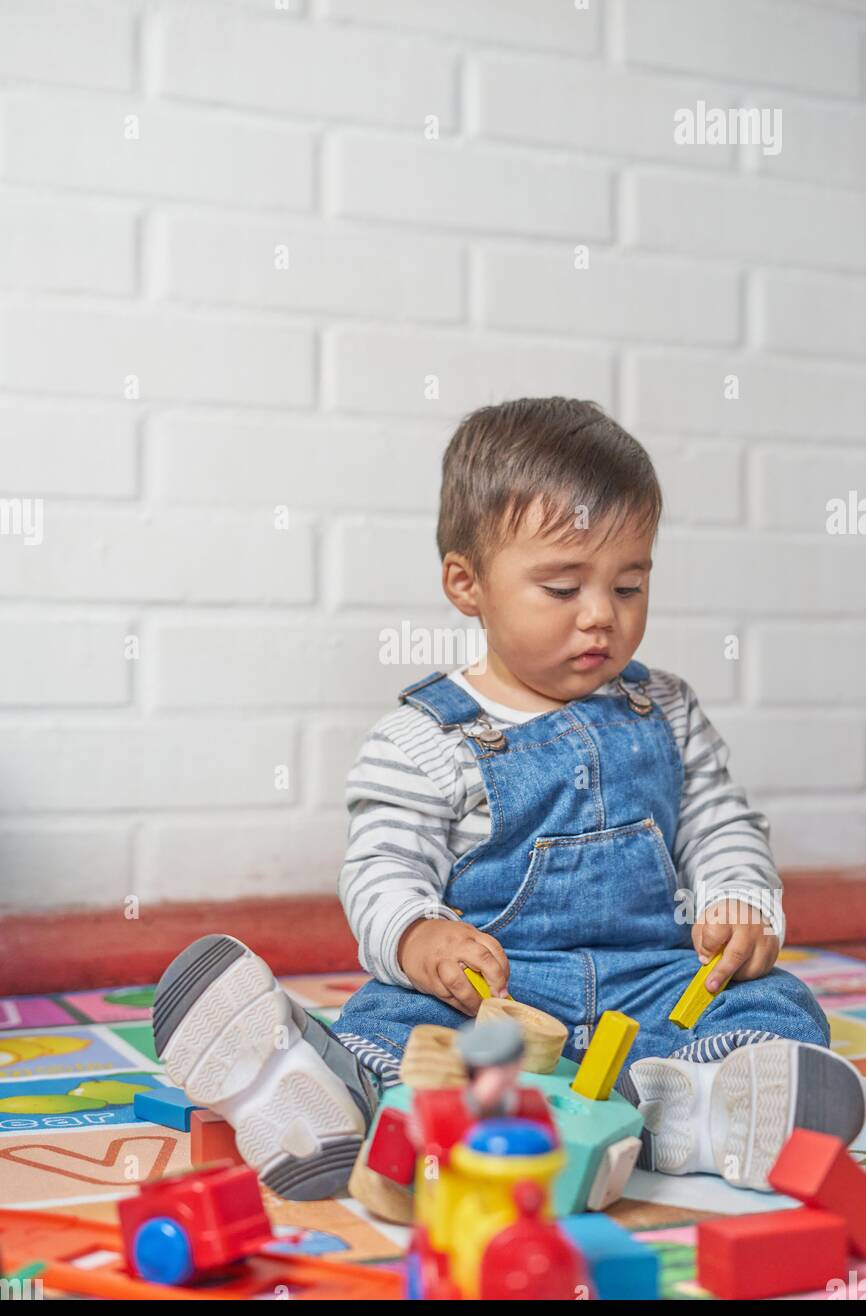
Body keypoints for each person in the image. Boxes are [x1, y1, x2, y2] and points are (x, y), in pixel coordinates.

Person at [153, 398, 864, 1201]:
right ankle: (324, 1088)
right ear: (468, 585)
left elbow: (720, 820)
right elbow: (382, 870)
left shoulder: (666, 708)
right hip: (496, 1001)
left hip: (657, 987)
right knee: (391, 1017)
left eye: (629, 584)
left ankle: (691, 1104)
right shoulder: (426, 738)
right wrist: (420, 937)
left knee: (781, 1004)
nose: (602, 614)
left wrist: (740, 899)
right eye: (562, 587)